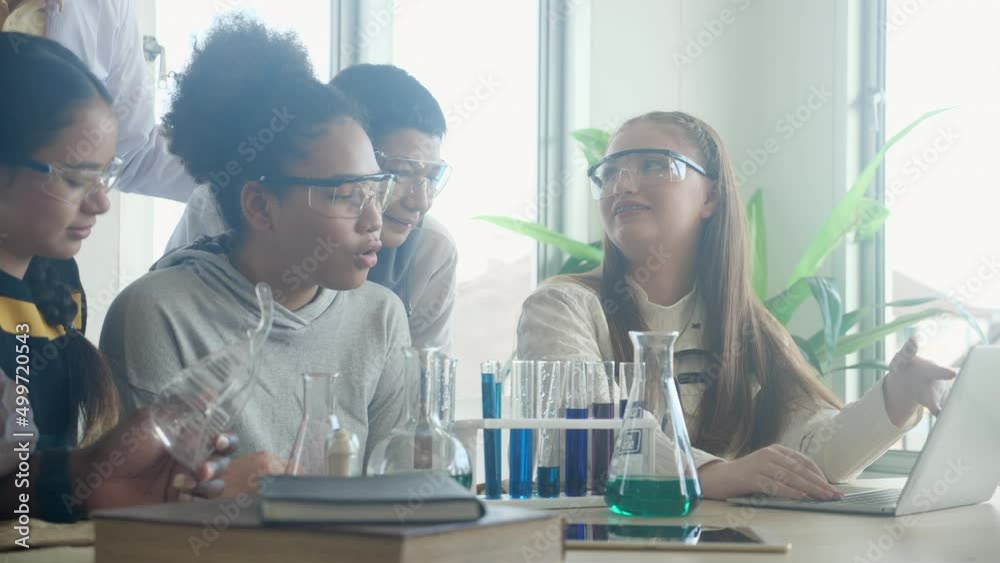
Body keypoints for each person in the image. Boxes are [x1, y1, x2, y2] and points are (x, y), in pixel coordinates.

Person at [516, 111, 956, 501]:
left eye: (653, 165)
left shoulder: (746, 326)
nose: (622, 185)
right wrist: (714, 475)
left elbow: (812, 458)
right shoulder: (561, 306)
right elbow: (587, 436)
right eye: (609, 173)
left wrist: (896, 397)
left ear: (710, 197)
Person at [99, 17, 410, 493]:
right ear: (260, 206)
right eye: (345, 195)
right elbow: (148, 505)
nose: (373, 221)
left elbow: (398, 494)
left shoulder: (381, 316)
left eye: (376, 190)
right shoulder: (161, 314)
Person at [0, 32, 233, 522]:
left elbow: (15, 497)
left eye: (104, 176)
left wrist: (94, 482)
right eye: (74, 177)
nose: (101, 202)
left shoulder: (57, 282)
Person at [166, 64, 458, 351]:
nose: (421, 202)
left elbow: (423, 385)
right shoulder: (225, 210)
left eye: (432, 177)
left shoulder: (431, 251)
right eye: (402, 172)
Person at [1, 0, 199, 201]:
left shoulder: (106, 6)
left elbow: (131, 151)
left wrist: (221, 171)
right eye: (73, 180)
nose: (101, 205)